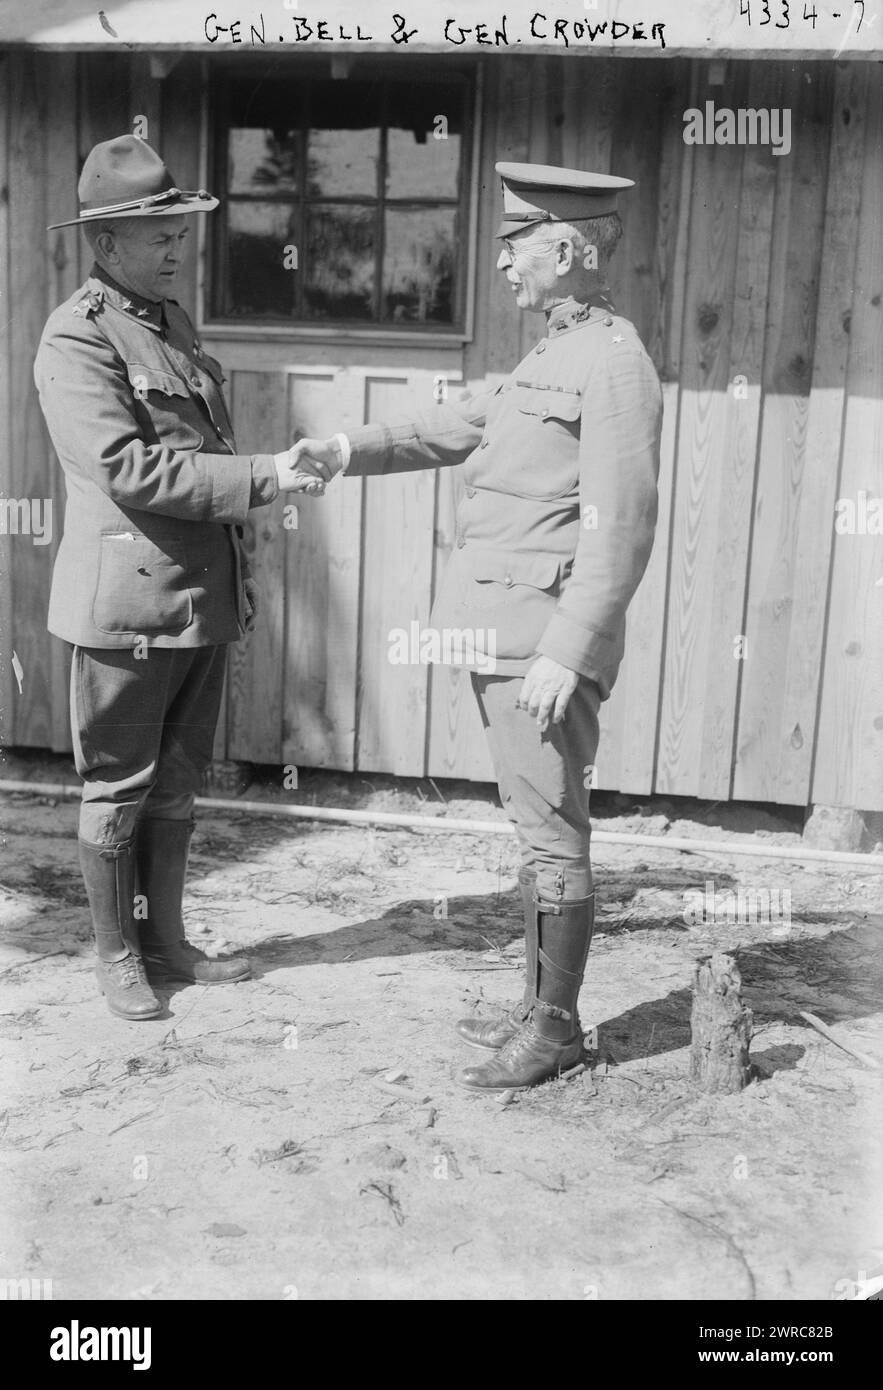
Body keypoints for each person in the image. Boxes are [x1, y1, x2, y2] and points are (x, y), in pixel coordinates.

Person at [286, 162, 663, 1092]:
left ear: (568, 248)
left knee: (549, 832)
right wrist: (342, 449)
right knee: (530, 820)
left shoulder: (613, 361)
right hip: (504, 632)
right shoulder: (553, 352)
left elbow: (624, 526)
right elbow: (454, 423)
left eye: (515, 242)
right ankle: (540, 1008)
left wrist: (568, 652)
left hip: (541, 643)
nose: (498, 263)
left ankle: (554, 1029)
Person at [34, 135, 307, 1021]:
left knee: (178, 783)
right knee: (117, 784)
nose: (177, 246)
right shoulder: (75, 340)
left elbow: (202, 450)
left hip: (199, 601)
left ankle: (165, 941)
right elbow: (133, 471)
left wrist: (240, 571)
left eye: (179, 229)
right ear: (106, 244)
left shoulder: (169, 325)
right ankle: (116, 955)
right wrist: (270, 477)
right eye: (159, 233)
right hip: (129, 607)